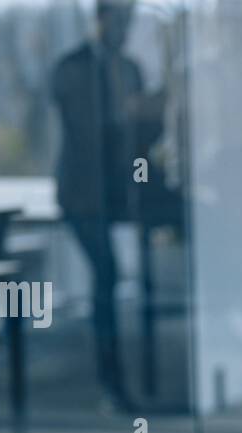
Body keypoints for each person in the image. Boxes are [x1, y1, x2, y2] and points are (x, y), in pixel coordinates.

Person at [51, 0, 165, 410]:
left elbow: (135, 136)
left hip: (120, 191)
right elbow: (90, 134)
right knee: (108, 274)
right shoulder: (71, 68)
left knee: (133, 274)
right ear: (99, 20)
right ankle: (110, 380)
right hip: (84, 194)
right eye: (118, 18)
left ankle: (141, 370)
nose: (124, 27)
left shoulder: (130, 68)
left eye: (130, 19)